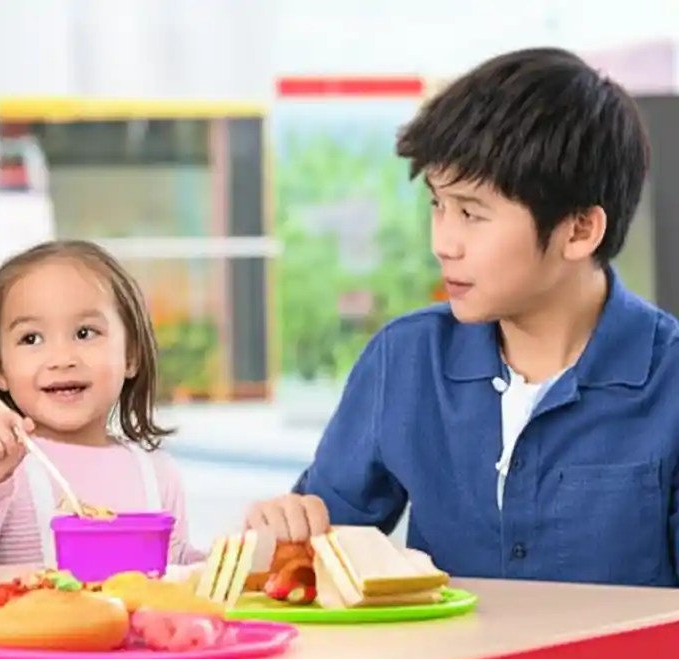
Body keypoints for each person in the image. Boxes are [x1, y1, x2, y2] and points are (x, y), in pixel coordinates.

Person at [245, 47, 677, 587]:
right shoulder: (404, 361)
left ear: (579, 230)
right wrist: (283, 534)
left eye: (472, 213)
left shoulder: (669, 380)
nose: (443, 243)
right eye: (437, 205)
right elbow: (315, 562)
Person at [0, 240, 204, 565]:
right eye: (31, 338)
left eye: (85, 333)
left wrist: (241, 558)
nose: (61, 359)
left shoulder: (157, 474)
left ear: (131, 354)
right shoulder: (4, 469)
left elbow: (179, 566)